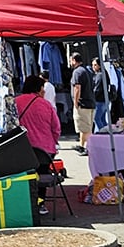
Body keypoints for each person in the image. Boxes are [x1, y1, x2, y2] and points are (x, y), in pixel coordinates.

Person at [16, 74, 62, 215]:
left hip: (21, 149)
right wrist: (54, 142)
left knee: (22, 175)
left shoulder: (15, 102)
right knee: (41, 174)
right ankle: (40, 203)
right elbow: (56, 128)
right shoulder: (46, 105)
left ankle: (23, 203)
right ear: (37, 88)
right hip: (44, 150)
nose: (44, 90)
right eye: (42, 87)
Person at [70, 52, 95, 154]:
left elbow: (77, 88)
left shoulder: (77, 72)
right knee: (86, 127)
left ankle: (89, 148)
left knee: (85, 128)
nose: (70, 62)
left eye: (71, 60)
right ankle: (81, 145)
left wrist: (76, 102)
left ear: (74, 60)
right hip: (90, 102)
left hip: (83, 104)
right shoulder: (88, 70)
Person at [91, 57, 110, 131]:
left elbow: (97, 89)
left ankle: (103, 133)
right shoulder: (105, 74)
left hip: (100, 100)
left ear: (99, 65)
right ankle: (107, 132)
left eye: (95, 65)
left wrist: (92, 98)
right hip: (105, 100)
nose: (93, 67)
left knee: (97, 118)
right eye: (92, 65)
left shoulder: (100, 75)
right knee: (102, 119)